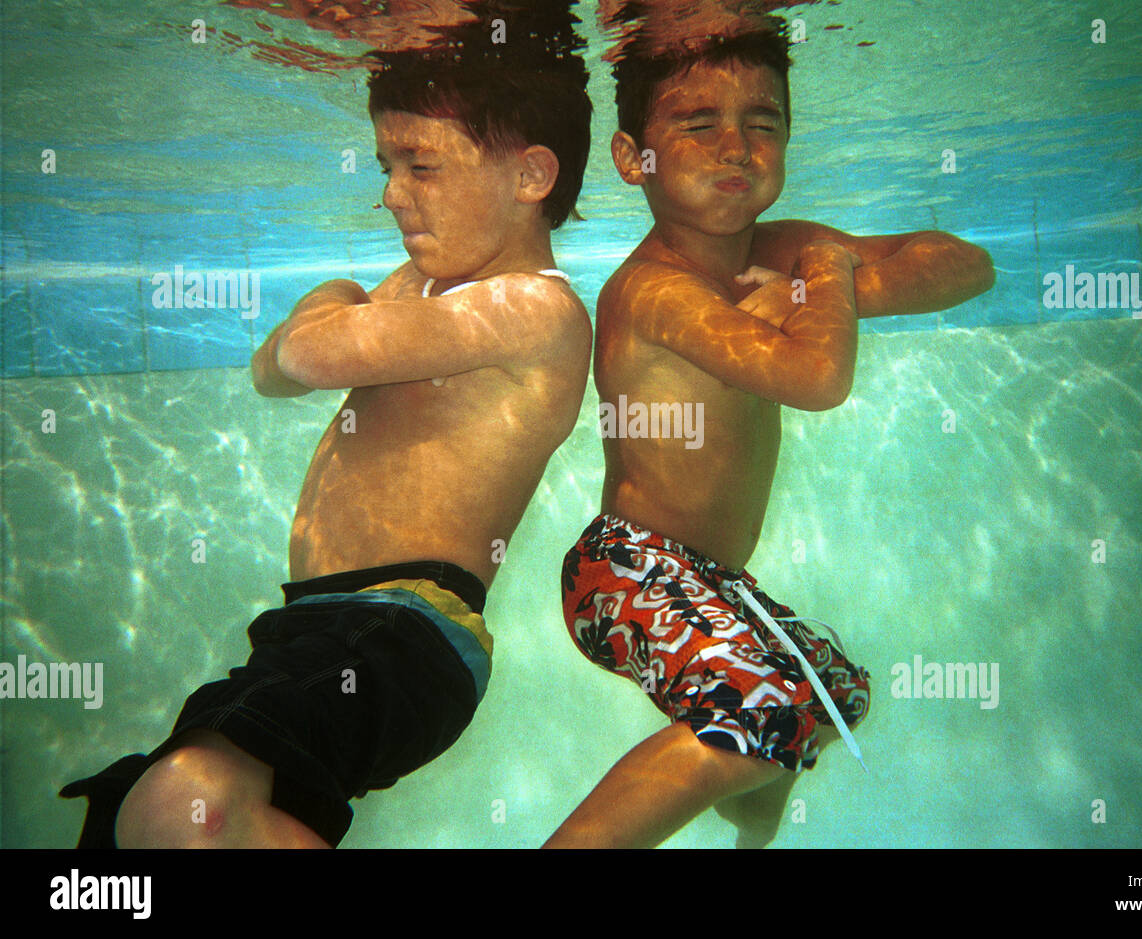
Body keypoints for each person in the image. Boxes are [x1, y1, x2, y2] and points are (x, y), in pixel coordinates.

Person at [59, 40, 594, 848]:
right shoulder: (419, 291)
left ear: (529, 177)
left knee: (183, 806)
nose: (390, 194)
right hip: (322, 628)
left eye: (420, 167)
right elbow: (268, 373)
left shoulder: (535, 310)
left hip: (405, 630)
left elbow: (302, 357)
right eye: (386, 165)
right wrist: (328, 323)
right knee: (130, 831)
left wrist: (331, 296)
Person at [547, 25, 994, 849]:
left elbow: (965, 265)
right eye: (696, 122)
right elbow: (817, 378)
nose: (737, 145)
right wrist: (826, 279)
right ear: (631, 156)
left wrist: (805, 285)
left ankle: (750, 838)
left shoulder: (780, 249)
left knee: (831, 695)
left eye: (764, 122)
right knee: (759, 709)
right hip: (627, 568)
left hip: (708, 573)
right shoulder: (655, 293)